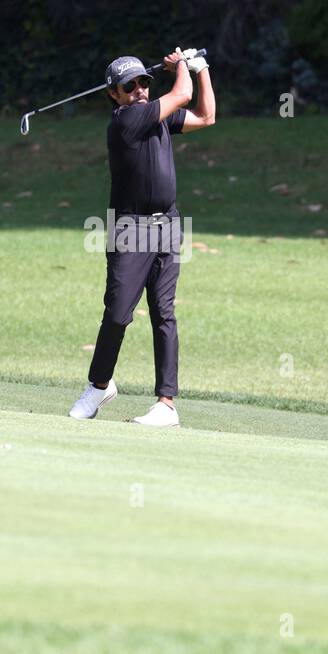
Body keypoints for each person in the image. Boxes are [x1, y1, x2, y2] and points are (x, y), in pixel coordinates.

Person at [69, 46, 216, 427]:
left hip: (167, 226)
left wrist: (202, 70)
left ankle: (166, 405)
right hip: (130, 229)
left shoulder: (158, 118)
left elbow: (206, 116)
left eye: (143, 83)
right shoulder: (126, 120)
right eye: (129, 85)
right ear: (113, 94)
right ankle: (100, 386)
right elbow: (181, 95)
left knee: (164, 314)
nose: (138, 89)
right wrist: (181, 66)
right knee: (118, 314)